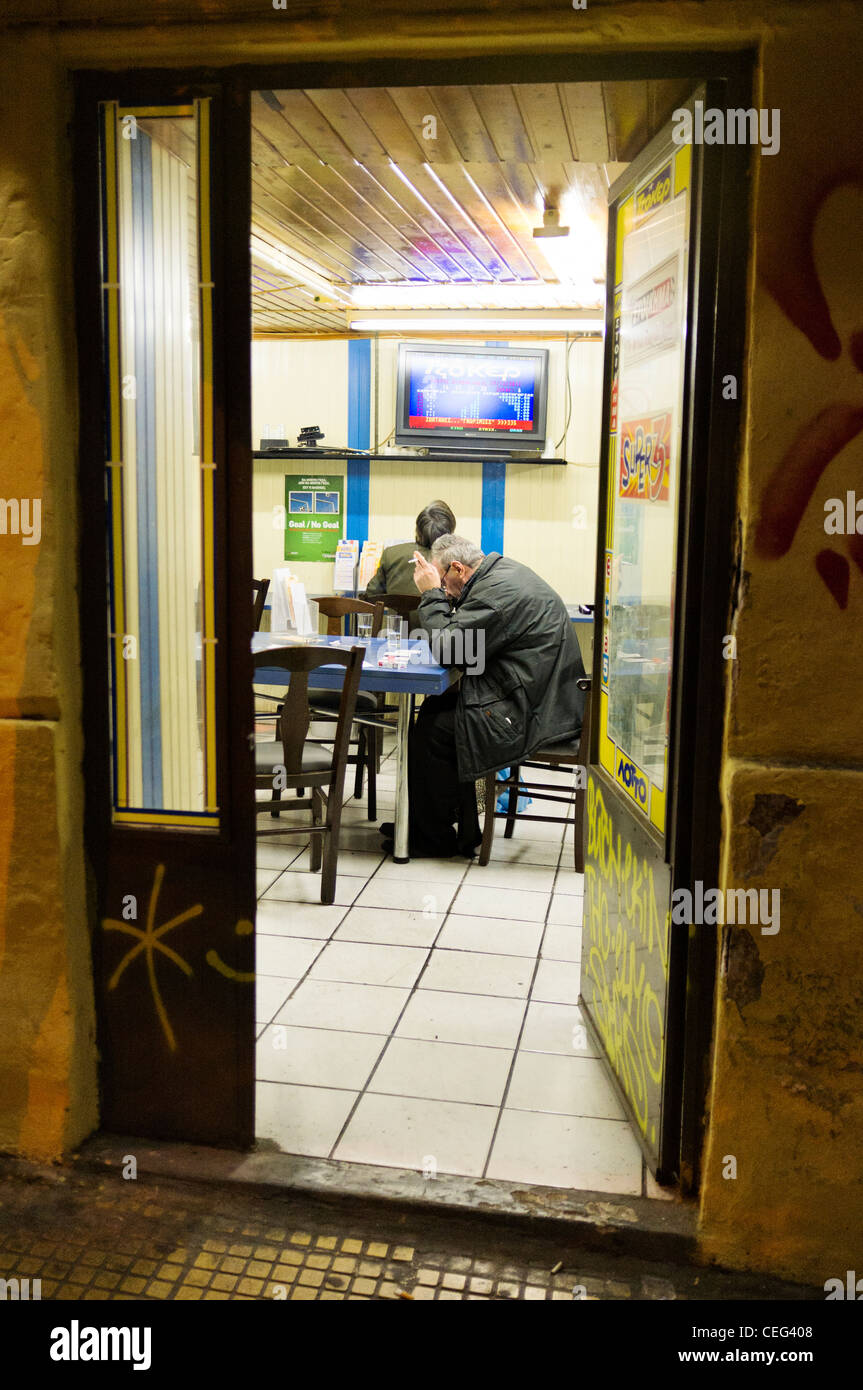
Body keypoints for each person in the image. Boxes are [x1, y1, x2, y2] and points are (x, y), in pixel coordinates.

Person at [379, 534, 586, 858]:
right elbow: (467, 645)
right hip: (540, 697)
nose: (447, 592)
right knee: (437, 709)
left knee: (435, 730)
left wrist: (431, 595)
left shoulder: (494, 596)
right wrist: (440, 595)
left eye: (446, 582)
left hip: (533, 712)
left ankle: (434, 836)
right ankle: (437, 825)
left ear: (458, 568)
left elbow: (451, 649)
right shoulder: (500, 575)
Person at [364, 501, 456, 625]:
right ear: (450, 532)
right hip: (437, 637)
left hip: (395, 636)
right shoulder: (455, 561)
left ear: (417, 529)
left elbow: (371, 594)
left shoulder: (391, 554)